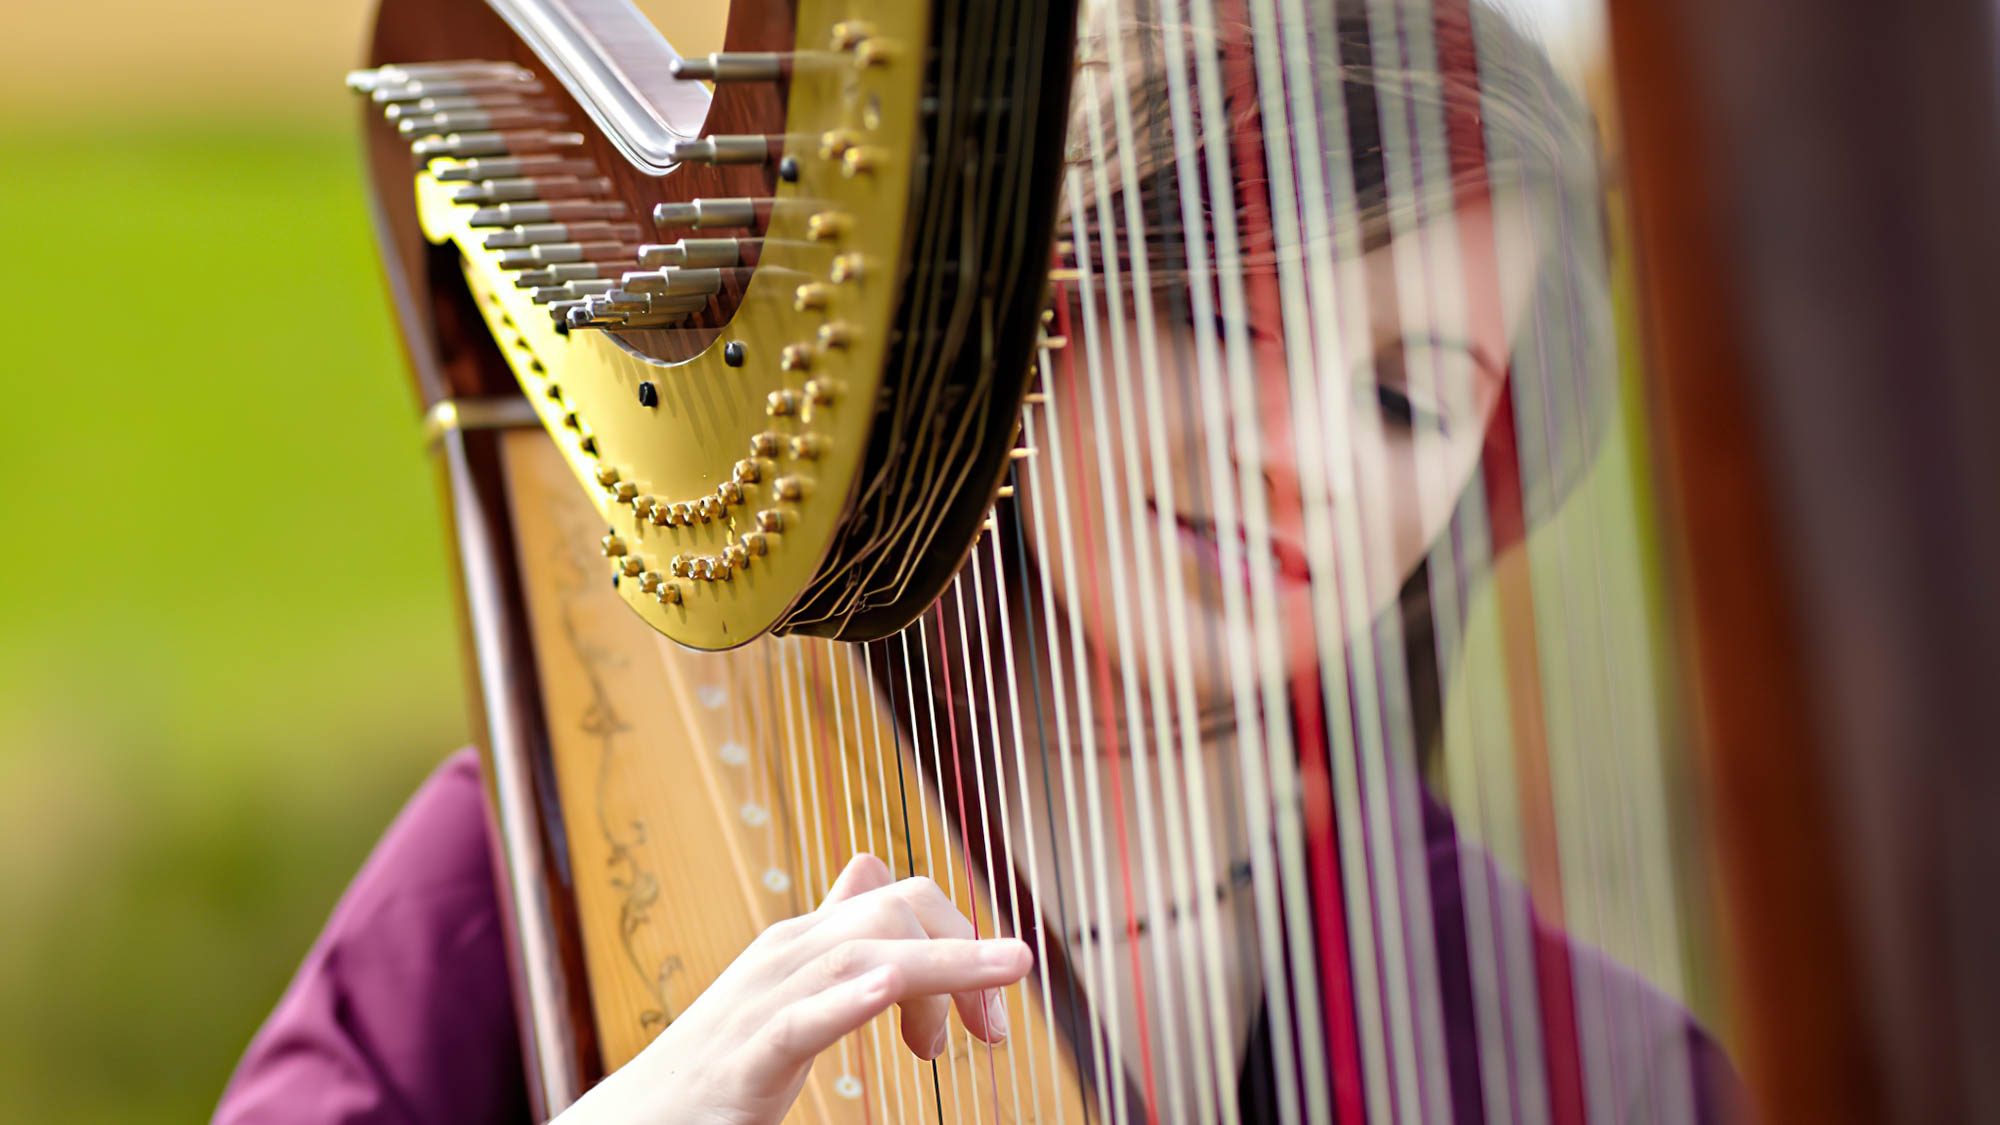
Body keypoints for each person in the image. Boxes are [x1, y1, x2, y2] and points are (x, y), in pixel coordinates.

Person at [217, 1, 1744, 1121]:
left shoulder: (1594, 1065)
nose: (1306, 456)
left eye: (1410, 399)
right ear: (1026, 312)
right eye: (1224, 318)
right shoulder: (539, 850)